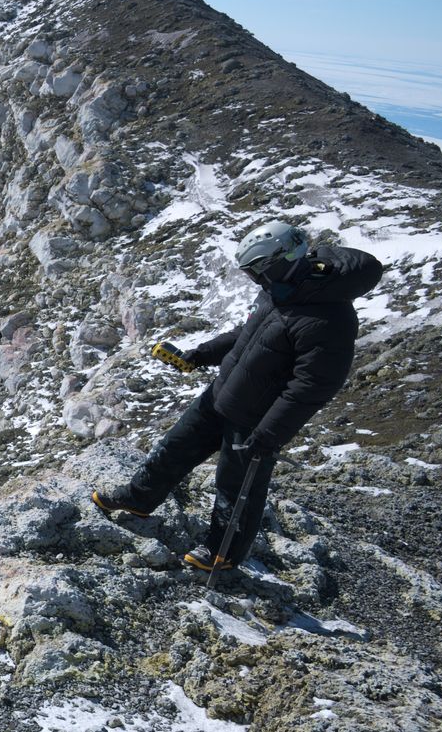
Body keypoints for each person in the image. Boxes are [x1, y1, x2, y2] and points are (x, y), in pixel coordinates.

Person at [91, 221, 384, 574]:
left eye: (256, 271)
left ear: (279, 261)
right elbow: (248, 333)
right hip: (221, 394)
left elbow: (313, 385)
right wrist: (200, 355)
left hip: (254, 418)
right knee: (173, 448)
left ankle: (223, 553)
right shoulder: (281, 288)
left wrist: (269, 434)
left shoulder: (329, 317)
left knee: (235, 487)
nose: (253, 279)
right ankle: (138, 498)